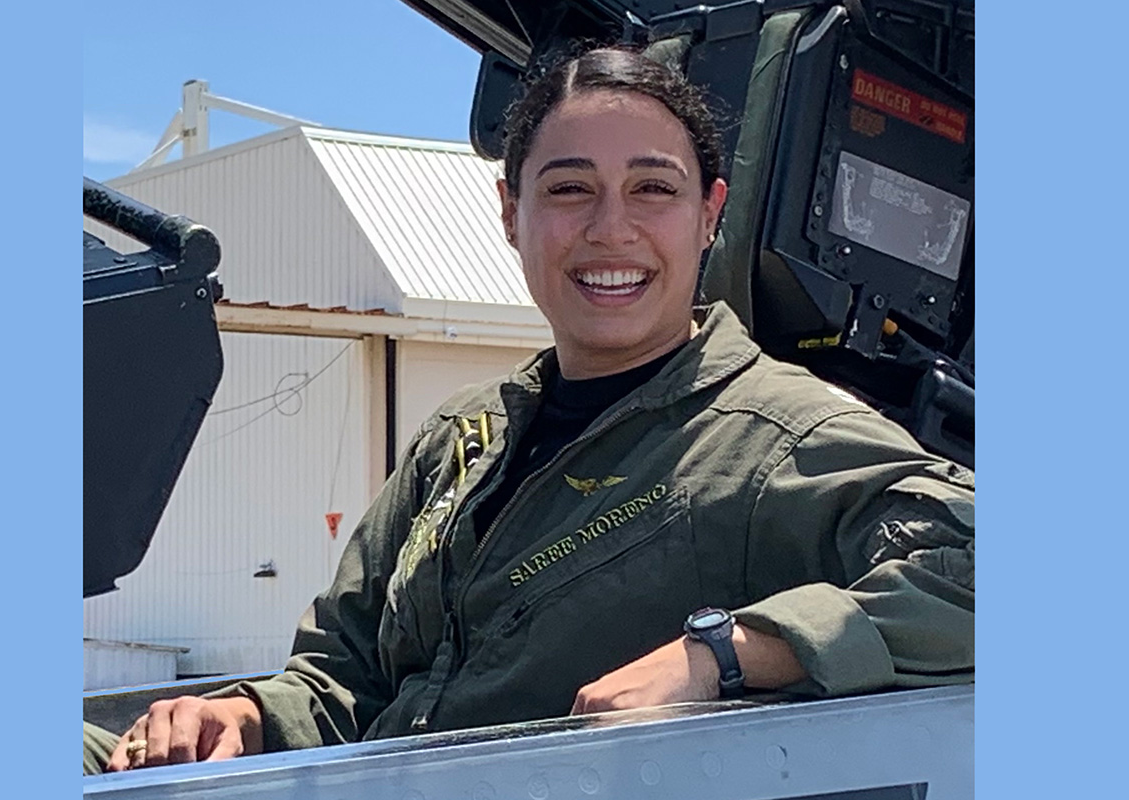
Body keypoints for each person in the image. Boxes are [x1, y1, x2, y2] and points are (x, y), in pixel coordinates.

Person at [83, 46, 974, 775]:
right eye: (569, 187)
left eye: (654, 190)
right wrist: (241, 713)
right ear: (511, 213)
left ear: (710, 215)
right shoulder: (460, 442)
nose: (610, 229)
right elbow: (342, 678)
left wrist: (725, 653)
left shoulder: (777, 440)